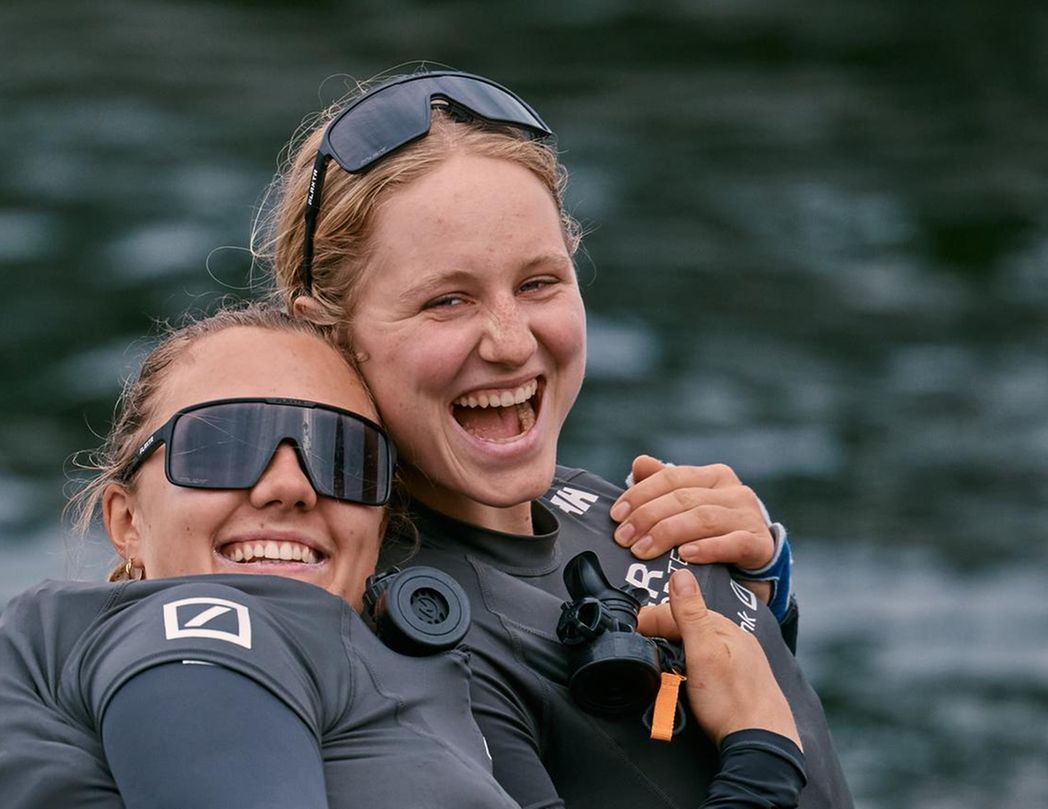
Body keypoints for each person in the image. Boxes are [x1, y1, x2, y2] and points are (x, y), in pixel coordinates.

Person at [254, 70, 854, 809]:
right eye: (448, 300)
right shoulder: (405, 640)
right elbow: (754, 748)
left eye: (538, 283)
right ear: (329, 333)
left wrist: (761, 590)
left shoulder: (605, 508)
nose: (511, 343)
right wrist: (762, 753)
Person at [0, 303, 808, 809]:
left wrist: (754, 598)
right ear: (126, 521)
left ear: (381, 518)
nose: (288, 484)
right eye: (221, 445)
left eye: (340, 456)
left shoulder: (398, 682)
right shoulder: (194, 634)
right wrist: (762, 762)